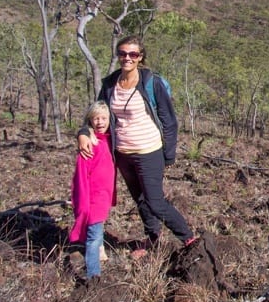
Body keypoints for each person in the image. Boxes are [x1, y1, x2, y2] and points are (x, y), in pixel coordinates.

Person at [78, 35, 197, 256]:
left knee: (154, 200)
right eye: (122, 53)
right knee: (140, 199)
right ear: (117, 55)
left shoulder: (152, 82)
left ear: (140, 57)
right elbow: (97, 115)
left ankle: (189, 238)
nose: (127, 58)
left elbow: (169, 120)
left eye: (133, 54)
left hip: (149, 151)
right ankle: (153, 238)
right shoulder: (110, 83)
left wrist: (168, 155)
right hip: (122, 153)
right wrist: (84, 133)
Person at [70, 100, 116, 280]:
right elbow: (80, 178)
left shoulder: (108, 139)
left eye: (104, 118)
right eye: (96, 118)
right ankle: (93, 277)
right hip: (92, 199)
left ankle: (100, 255)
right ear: (90, 120)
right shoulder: (89, 145)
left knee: (97, 231)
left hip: (103, 197)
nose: (100, 122)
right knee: (93, 237)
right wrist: (83, 204)